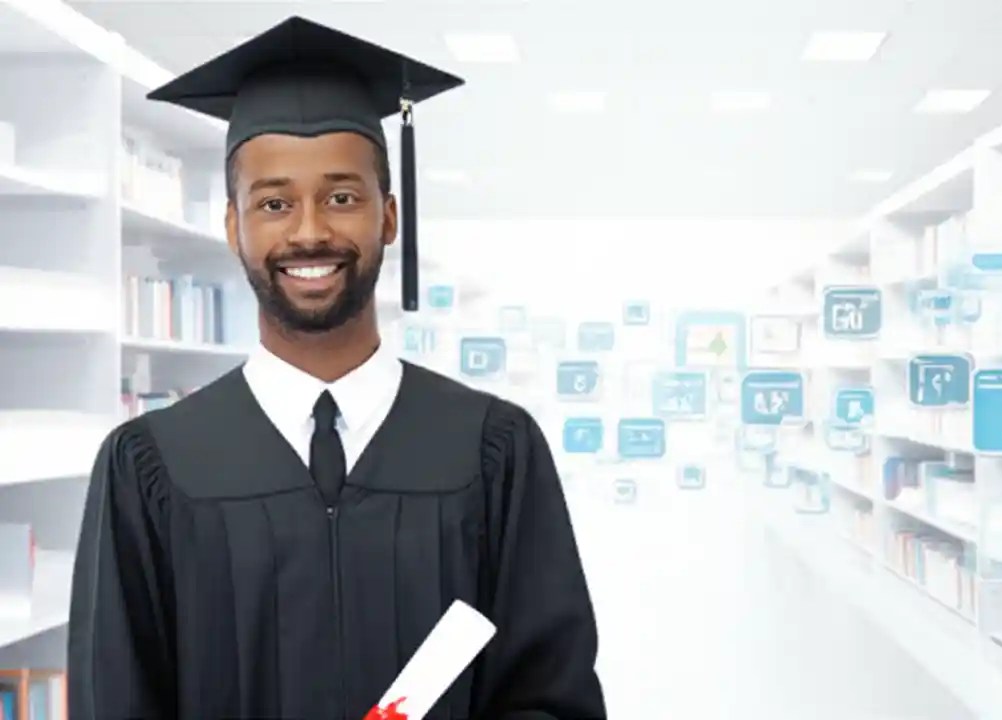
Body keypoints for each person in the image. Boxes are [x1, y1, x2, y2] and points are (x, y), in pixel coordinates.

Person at [67, 16, 606, 720]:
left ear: (388, 216)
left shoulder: (492, 449)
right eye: (274, 203)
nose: (310, 230)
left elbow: (551, 697)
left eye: (342, 197)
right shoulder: (149, 466)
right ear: (233, 226)